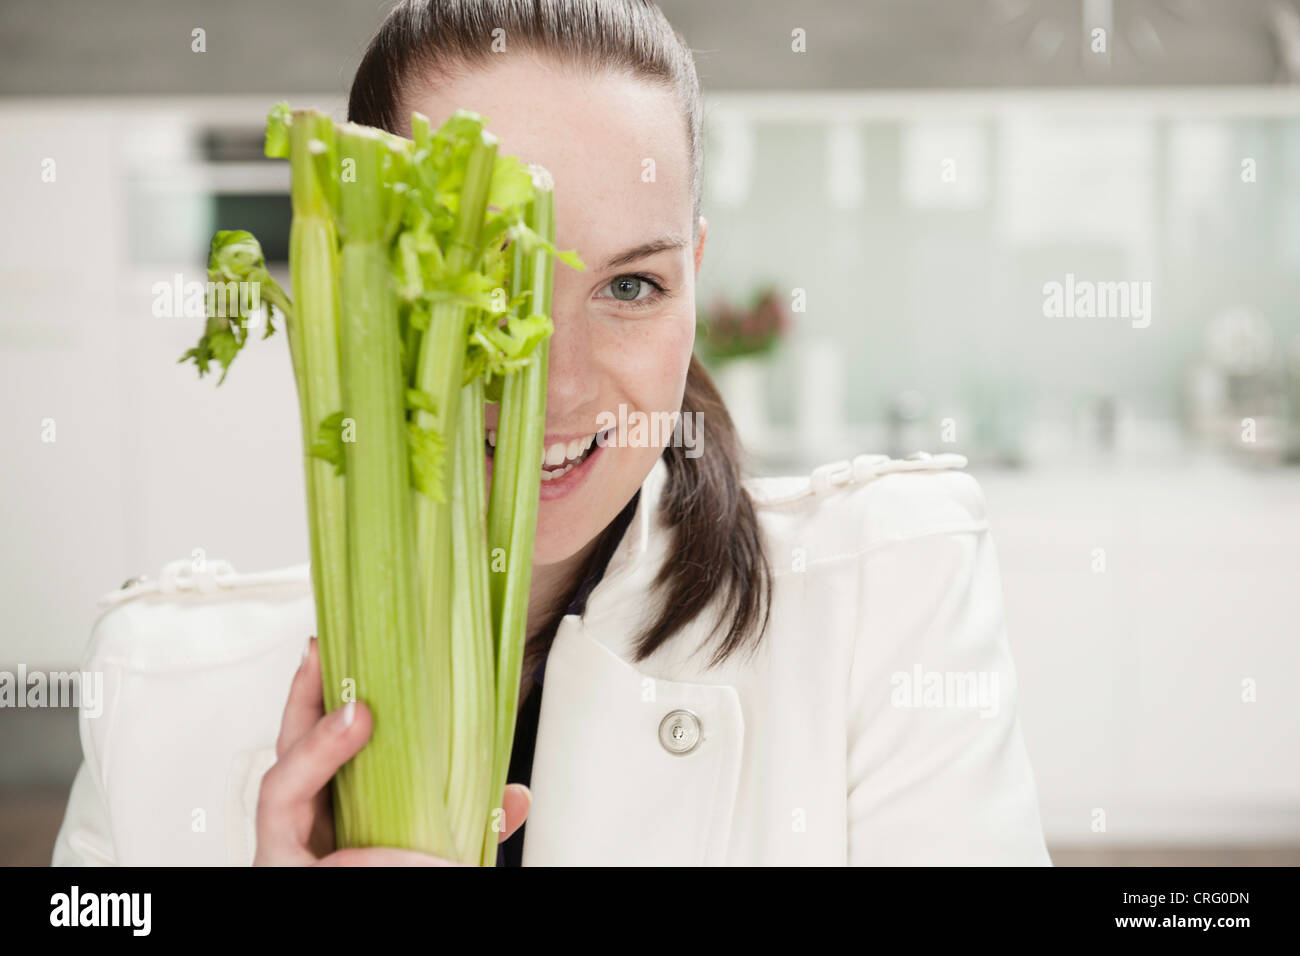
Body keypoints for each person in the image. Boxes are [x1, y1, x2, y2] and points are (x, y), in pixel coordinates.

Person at [54, 0, 1051, 866]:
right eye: (481, 280)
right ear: (353, 287)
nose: (559, 385)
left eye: (631, 285)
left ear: (693, 274)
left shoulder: (884, 597)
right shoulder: (157, 690)